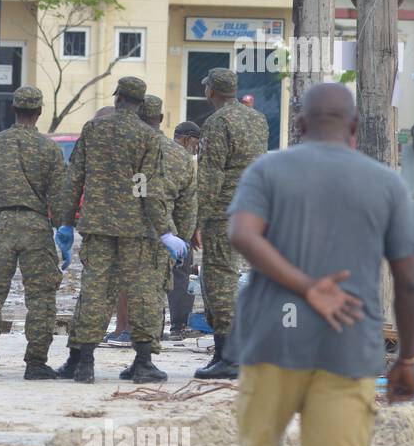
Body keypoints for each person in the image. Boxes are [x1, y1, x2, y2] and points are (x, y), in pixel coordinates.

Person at [227, 83, 414, 446]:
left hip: (271, 340)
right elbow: (409, 283)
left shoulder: (267, 172)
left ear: (300, 123)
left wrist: (303, 285)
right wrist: (406, 357)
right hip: (349, 346)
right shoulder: (386, 184)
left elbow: (243, 235)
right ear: (356, 128)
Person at [55, 77, 184, 383]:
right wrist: (164, 231)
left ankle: (84, 363)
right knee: (141, 293)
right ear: (140, 104)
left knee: (95, 291)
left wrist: (65, 221)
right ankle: (142, 363)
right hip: (135, 229)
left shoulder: (93, 129)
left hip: (97, 226)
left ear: (117, 99)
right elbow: (148, 186)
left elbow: (75, 178)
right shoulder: (147, 137)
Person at [0, 86, 66, 381]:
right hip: (36, 229)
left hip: (0, 228)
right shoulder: (49, 149)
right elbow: (60, 199)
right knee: (40, 298)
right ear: (39, 112)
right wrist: (62, 227)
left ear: (14, 110)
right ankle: (36, 362)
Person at [192, 68, 268, 379]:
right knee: (226, 280)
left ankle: (230, 357)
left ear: (211, 92)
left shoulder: (217, 122)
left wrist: (197, 218)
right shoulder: (257, 118)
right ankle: (224, 354)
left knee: (219, 281)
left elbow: (211, 175)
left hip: (223, 212)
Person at [167, 121, 202, 336]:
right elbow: (188, 199)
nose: (196, 149)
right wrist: (192, 230)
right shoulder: (183, 160)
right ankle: (179, 326)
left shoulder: (157, 150)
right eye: (196, 143)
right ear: (187, 139)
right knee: (181, 276)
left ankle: (149, 328)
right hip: (178, 228)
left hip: (157, 225)